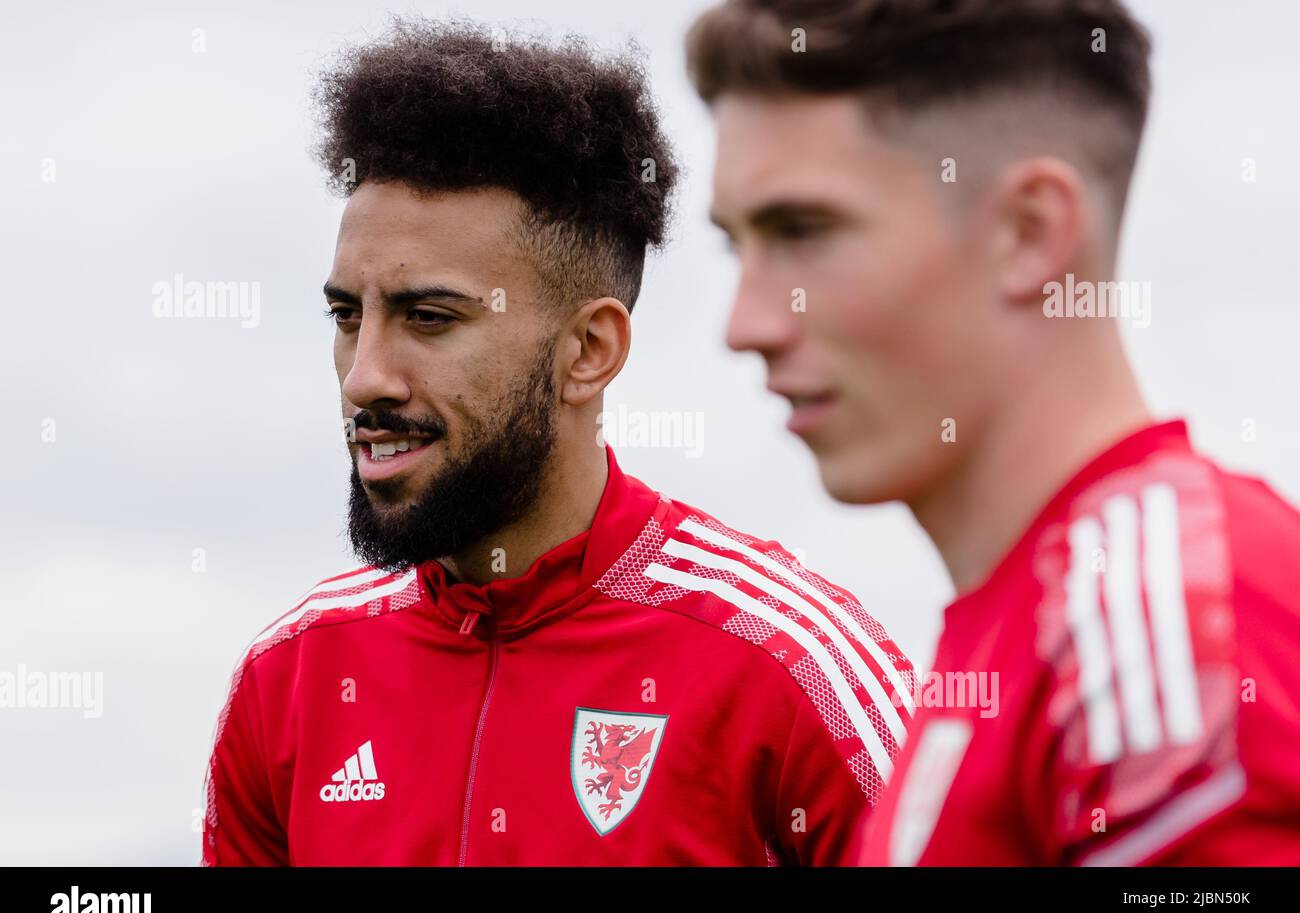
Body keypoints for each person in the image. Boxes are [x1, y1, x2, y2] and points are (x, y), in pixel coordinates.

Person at [201, 17, 914, 866]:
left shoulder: (794, 668)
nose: (365, 377)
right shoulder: (289, 682)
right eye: (348, 317)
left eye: (429, 318)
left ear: (589, 352)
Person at [687, 0, 1300, 864]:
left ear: (1030, 231)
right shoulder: (1023, 637)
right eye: (735, 246)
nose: (745, 323)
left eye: (803, 232)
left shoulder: (1152, 618)